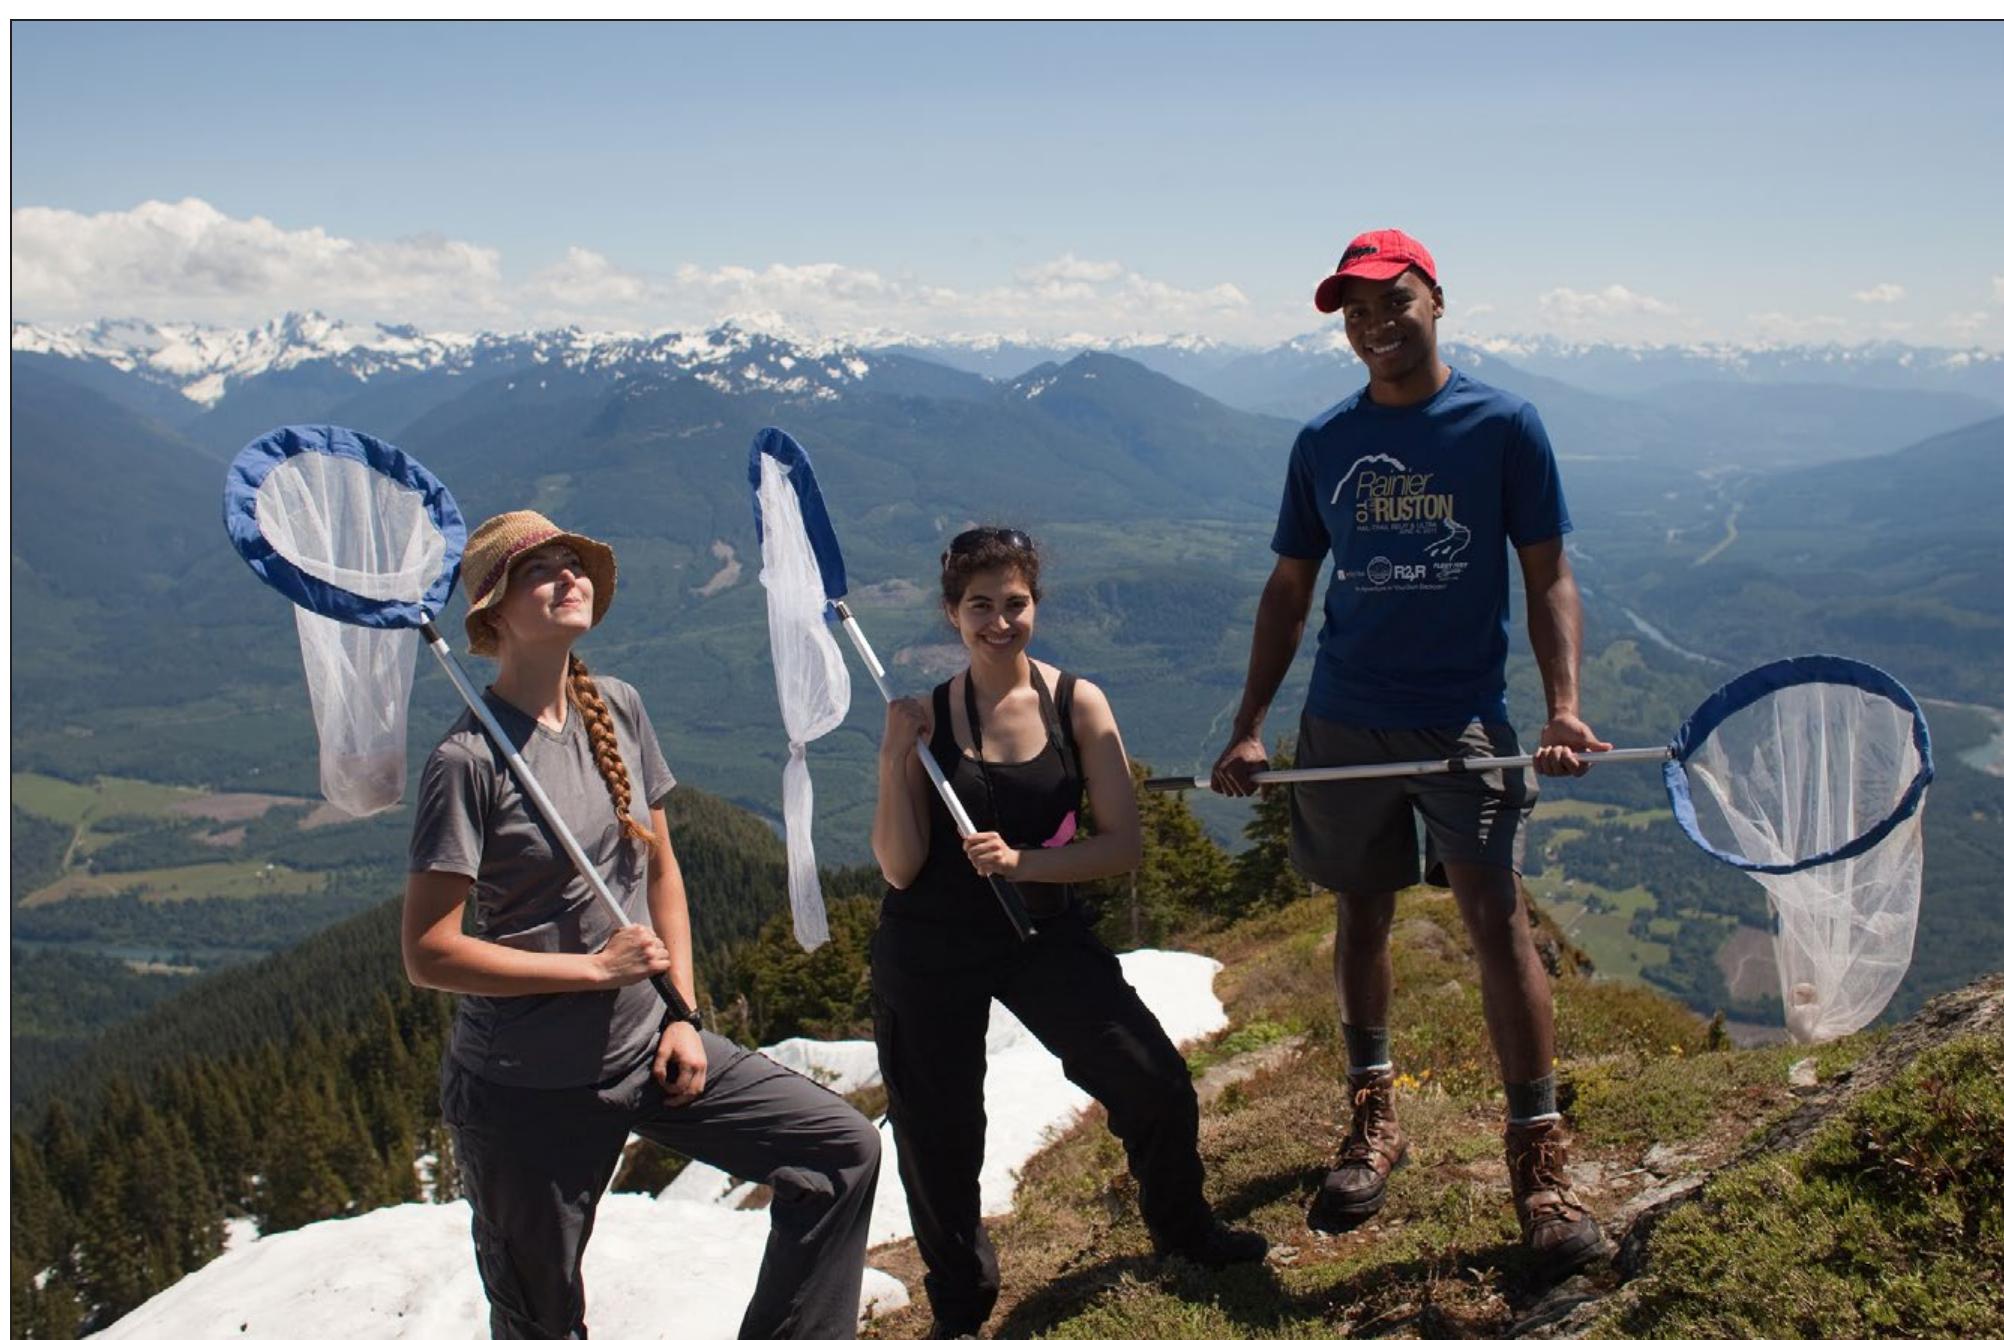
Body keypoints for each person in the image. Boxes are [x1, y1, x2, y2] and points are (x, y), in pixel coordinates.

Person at [1208, 229, 1610, 1277]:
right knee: (1362, 910)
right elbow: (1292, 589)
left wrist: (1563, 707)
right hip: (1344, 718)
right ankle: (1374, 1113)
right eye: (1355, 310)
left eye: (1394, 301)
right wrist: (1251, 720)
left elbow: (1550, 576)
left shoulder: (1502, 426)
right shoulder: (1323, 442)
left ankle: (1538, 1154)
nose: (1376, 324)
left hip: (1461, 718)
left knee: (1494, 916)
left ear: (1438, 299)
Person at [404, 510, 881, 1340]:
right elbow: (429, 952)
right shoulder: (467, 760)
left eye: (573, 562)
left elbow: (662, 872)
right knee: (542, 1318)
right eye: (540, 570)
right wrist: (593, 971)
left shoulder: (616, 707)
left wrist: (684, 1016)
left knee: (840, 1153)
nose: (568, 576)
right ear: (494, 615)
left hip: (647, 1043)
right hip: (526, 1085)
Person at [870, 527, 1266, 1339]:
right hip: (929, 940)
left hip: (1040, 927)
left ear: (1035, 606)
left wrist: (1019, 862)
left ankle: (1185, 1233)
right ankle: (960, 1310)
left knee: (1152, 1081)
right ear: (952, 614)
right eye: (979, 606)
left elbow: (1122, 845)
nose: (999, 622)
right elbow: (902, 868)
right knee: (939, 1135)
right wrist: (891, 765)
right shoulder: (927, 720)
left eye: (1014, 604)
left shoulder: (1073, 703)